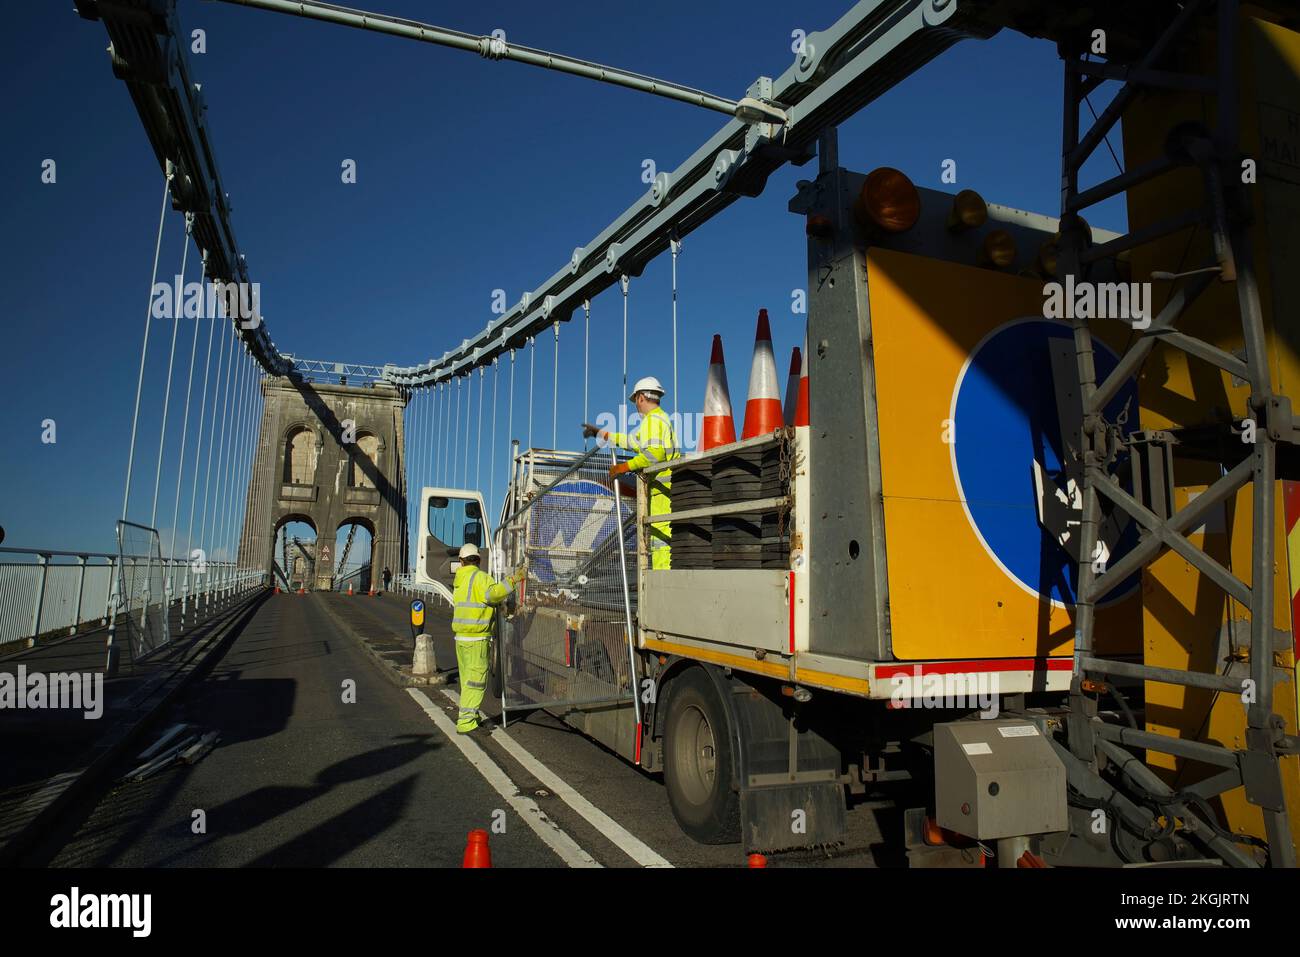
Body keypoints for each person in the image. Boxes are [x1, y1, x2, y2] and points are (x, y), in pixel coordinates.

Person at [581, 376, 681, 569]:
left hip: (663, 491)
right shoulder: (657, 420)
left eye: (635, 400)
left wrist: (623, 467)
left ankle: (662, 585)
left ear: (641, 397)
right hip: (663, 490)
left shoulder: (653, 421)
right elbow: (632, 442)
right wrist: (602, 434)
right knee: (660, 540)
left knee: (661, 540)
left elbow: (653, 454)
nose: (636, 405)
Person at [451, 543, 523, 734]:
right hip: (476, 638)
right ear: (479, 560)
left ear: (461, 561)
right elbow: (493, 594)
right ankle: (466, 722)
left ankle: (471, 716)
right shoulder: (480, 577)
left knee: (467, 679)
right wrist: (514, 580)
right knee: (477, 681)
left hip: (461, 639)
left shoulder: (459, 580)